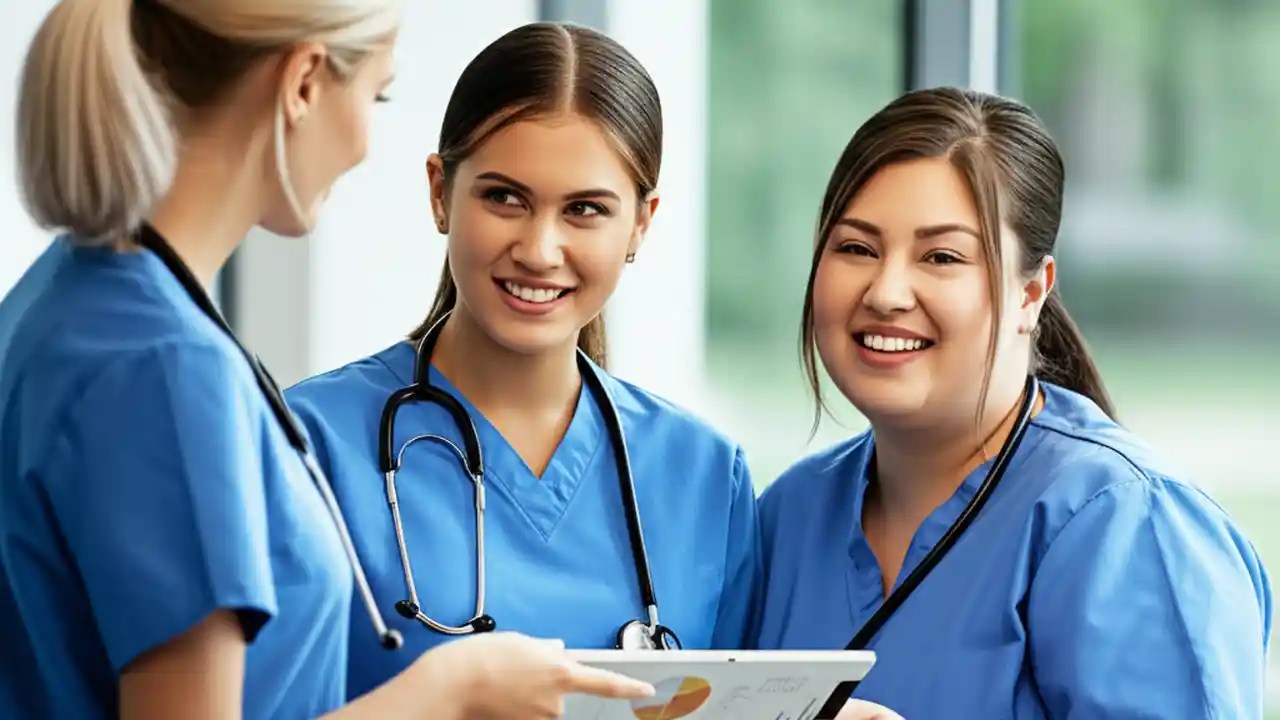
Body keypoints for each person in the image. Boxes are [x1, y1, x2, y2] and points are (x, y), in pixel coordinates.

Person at [0, 2, 653, 718]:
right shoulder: (167, 367)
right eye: (375, 96)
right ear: (305, 82)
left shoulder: (63, 302)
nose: (365, 144)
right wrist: (447, 691)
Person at [752, 87, 1272, 718]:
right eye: (856, 248)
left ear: (1031, 292)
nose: (886, 292)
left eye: (941, 256)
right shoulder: (789, 517)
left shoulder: (1124, 523)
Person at [283, 21, 761, 701]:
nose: (539, 249)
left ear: (643, 222)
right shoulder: (311, 444)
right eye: (504, 197)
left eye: (586, 210)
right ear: (439, 192)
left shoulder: (705, 476)